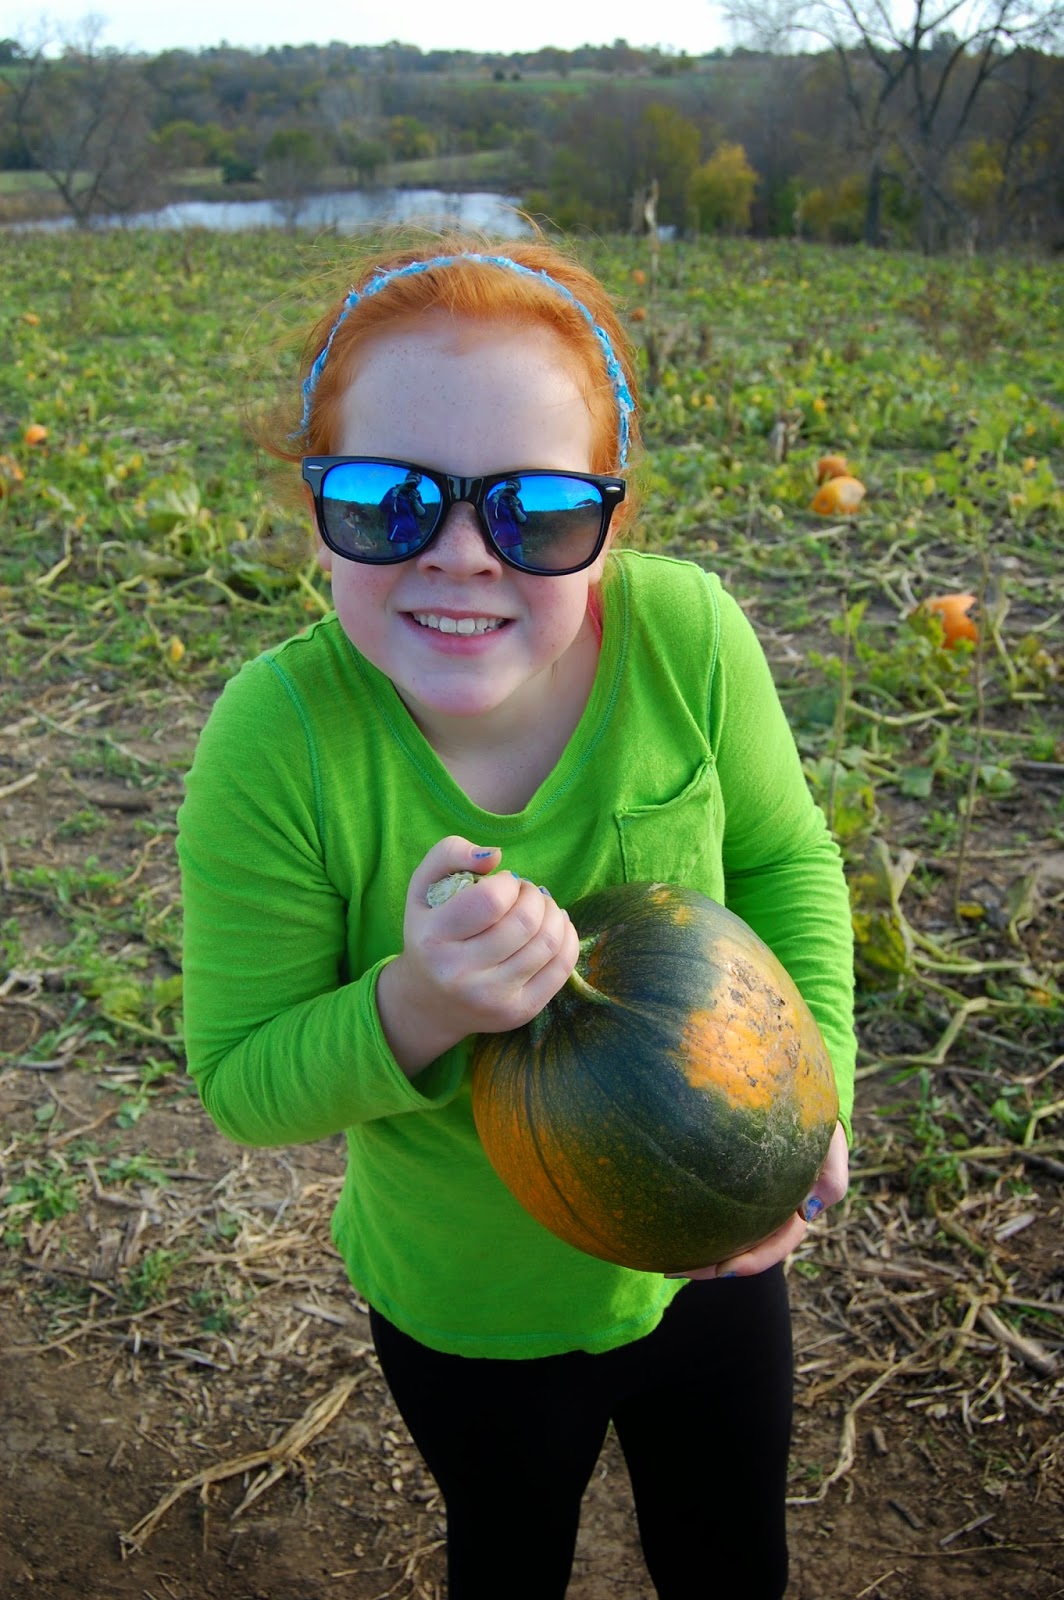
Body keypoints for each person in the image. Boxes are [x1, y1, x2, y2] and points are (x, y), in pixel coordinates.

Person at [177, 233, 855, 1600]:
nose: (465, 558)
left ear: (610, 515)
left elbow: (786, 861)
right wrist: (418, 1006)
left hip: (707, 1263)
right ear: (312, 499)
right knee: (507, 1553)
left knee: (731, 1556)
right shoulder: (281, 736)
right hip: (466, 1308)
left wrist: (817, 1083)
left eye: (537, 512)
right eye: (388, 501)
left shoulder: (687, 640)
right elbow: (242, 1079)